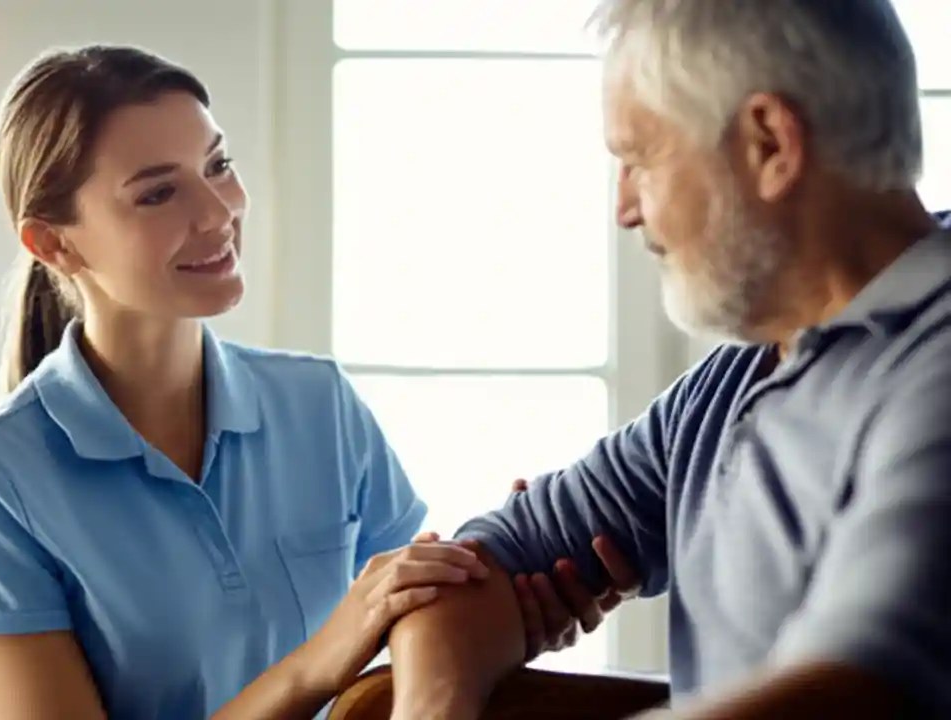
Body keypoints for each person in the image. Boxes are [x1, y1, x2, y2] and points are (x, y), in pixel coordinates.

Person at [0, 45, 631, 720]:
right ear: (54, 243)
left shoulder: (319, 404)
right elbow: (345, 642)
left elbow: (415, 618)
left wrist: (506, 606)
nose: (216, 211)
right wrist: (317, 663)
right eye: (159, 193)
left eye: (218, 165)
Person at [378, 1, 951, 718]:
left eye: (638, 159)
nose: (624, 208)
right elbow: (473, 566)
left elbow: (864, 687)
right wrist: (434, 708)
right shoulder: (734, 379)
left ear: (770, 143)